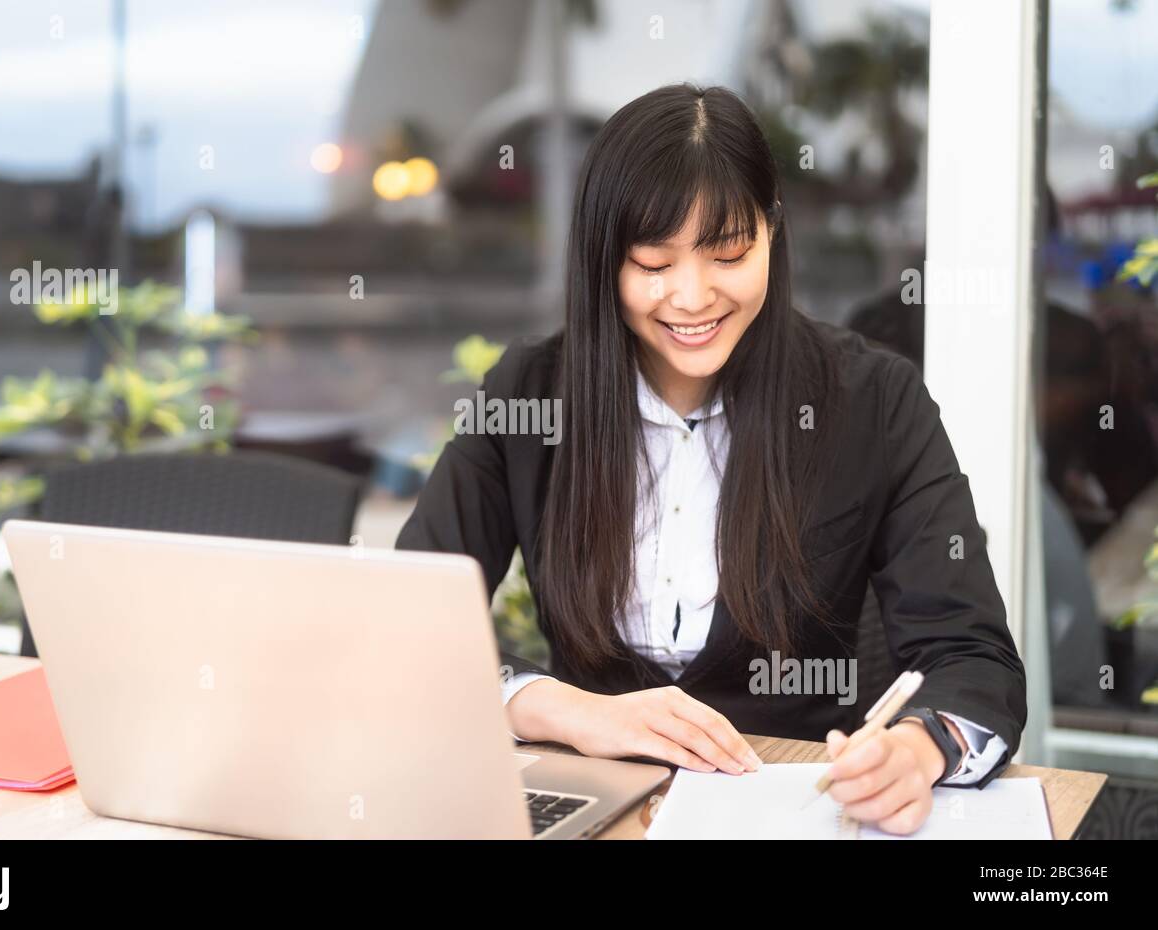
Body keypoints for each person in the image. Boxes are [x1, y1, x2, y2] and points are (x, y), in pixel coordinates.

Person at [397, 83, 1026, 835]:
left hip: (794, 804)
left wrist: (920, 748)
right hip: (599, 807)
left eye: (728, 254)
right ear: (604, 264)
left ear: (772, 233)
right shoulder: (528, 397)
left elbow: (974, 658)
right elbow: (409, 623)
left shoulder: (874, 401)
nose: (691, 298)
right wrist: (567, 710)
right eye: (652, 264)